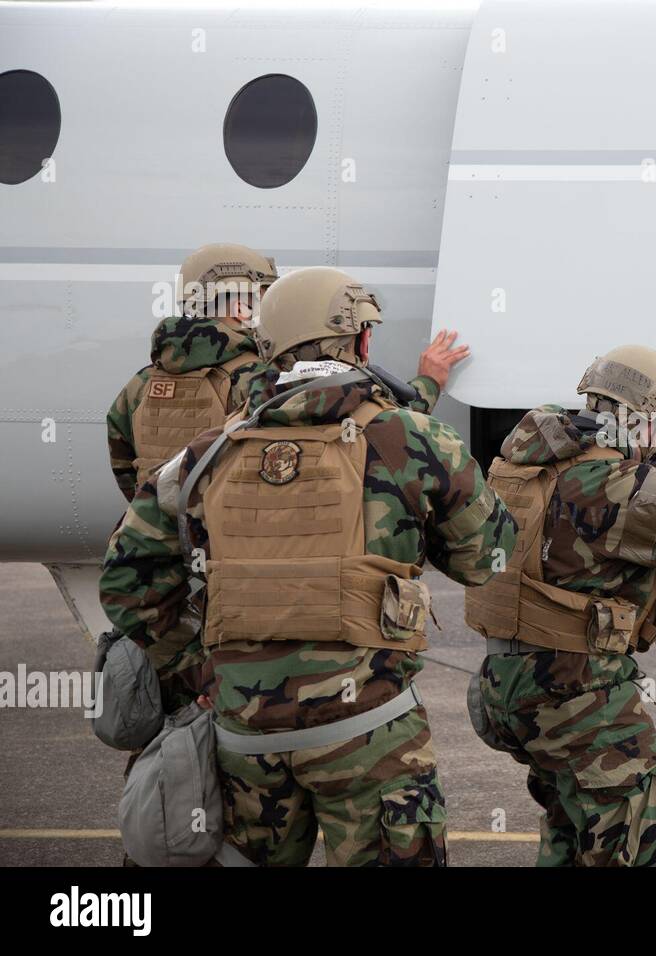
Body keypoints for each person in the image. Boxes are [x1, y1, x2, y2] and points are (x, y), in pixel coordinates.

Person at [100, 266, 516, 865]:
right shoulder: (418, 439)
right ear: (362, 343)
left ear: (269, 347)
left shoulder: (203, 454)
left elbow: (124, 580)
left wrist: (201, 672)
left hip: (243, 737)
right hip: (370, 731)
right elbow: (488, 559)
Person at [465, 345, 656, 866]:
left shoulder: (520, 463)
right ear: (639, 419)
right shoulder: (610, 484)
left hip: (507, 685)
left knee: (570, 834)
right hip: (582, 696)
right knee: (644, 847)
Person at [106, 242, 278, 502]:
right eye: (262, 297)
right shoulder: (260, 379)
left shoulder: (141, 383)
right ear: (239, 305)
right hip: (226, 535)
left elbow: (124, 466)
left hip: (155, 536)